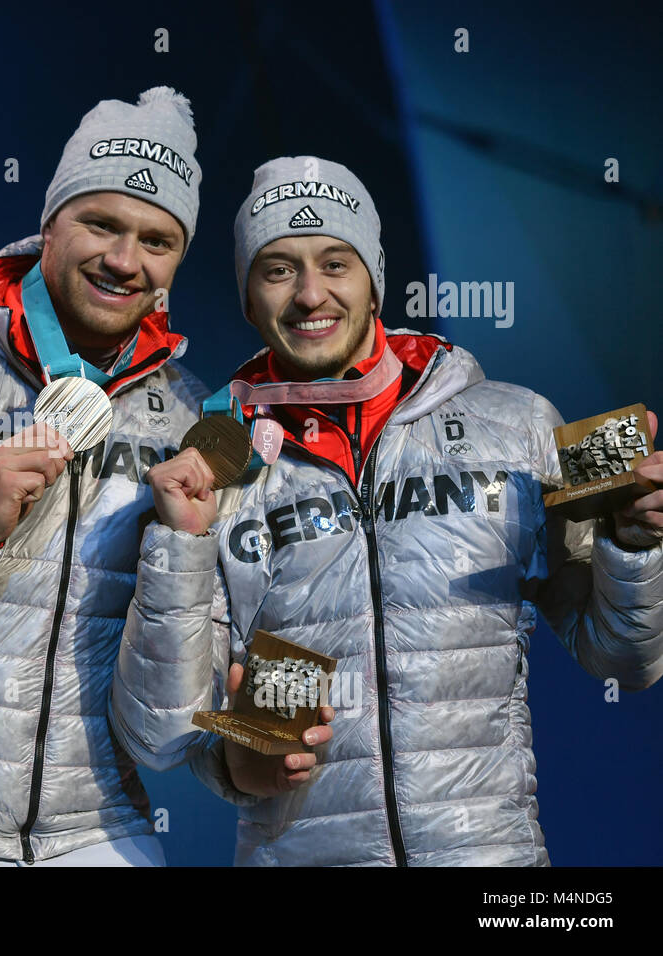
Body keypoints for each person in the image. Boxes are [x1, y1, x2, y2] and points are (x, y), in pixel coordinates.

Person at [112, 155, 663, 866]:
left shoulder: (518, 424)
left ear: (374, 280)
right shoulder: (204, 468)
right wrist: (237, 764)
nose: (311, 294)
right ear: (248, 299)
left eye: (335, 263)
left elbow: (626, 660)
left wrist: (633, 543)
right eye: (278, 269)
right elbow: (160, 732)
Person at [0, 88, 208, 865]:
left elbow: (168, 730)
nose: (124, 260)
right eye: (101, 223)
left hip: (100, 829)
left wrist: (184, 549)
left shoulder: (189, 417)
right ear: (49, 223)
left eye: (156, 240)